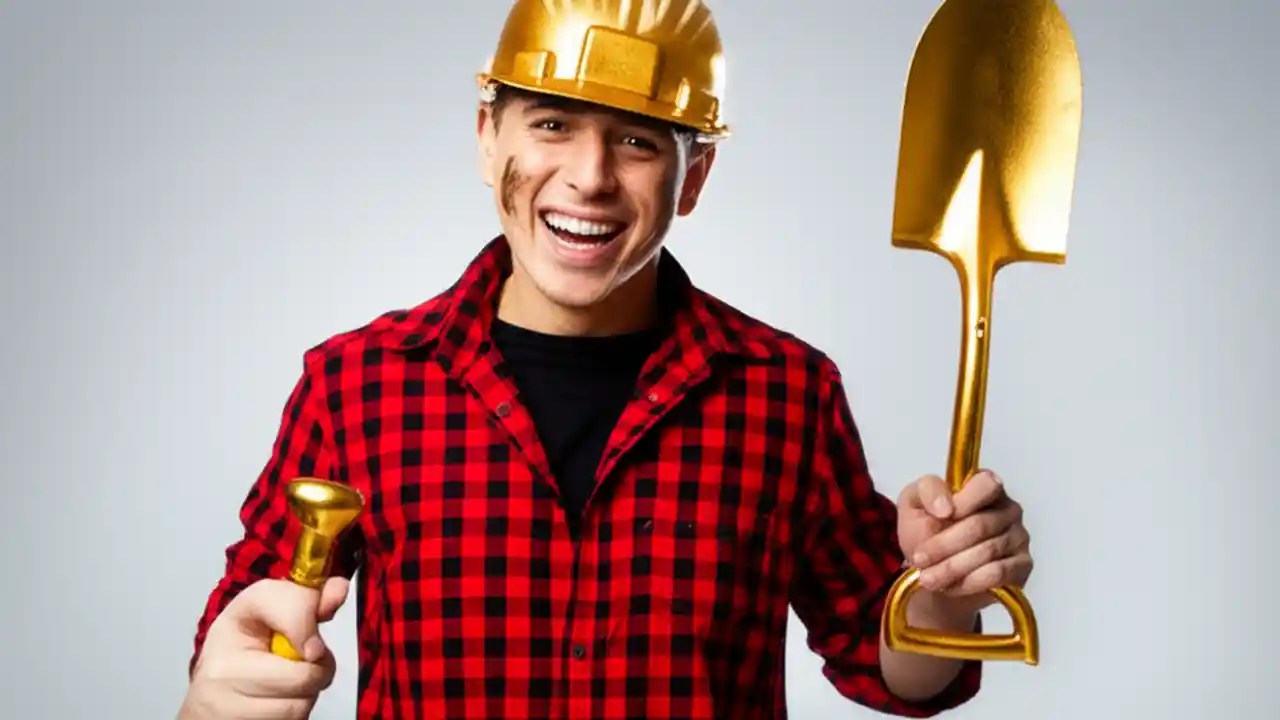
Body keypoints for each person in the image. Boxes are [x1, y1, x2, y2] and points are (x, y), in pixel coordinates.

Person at [178, 0, 1035, 717]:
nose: (589, 176)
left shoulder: (788, 394)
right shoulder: (355, 386)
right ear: (488, 138)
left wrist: (945, 592)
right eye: (552, 125)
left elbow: (887, 666)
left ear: (693, 178)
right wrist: (221, 690)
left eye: (638, 142)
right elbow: (245, 635)